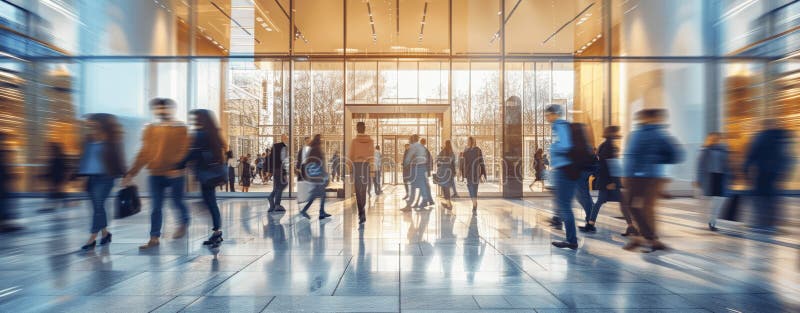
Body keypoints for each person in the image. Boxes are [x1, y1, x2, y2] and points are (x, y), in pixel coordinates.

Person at [122, 98, 190, 250]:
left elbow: (184, 150)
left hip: (175, 174)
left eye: (164, 108)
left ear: (172, 109)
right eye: (158, 109)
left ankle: (184, 221)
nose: (161, 111)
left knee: (176, 202)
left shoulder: (181, 128)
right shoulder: (150, 129)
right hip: (155, 173)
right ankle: (154, 238)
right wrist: (131, 173)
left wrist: (176, 166)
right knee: (156, 207)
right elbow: (144, 152)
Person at [622, 108, 684, 252]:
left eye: (643, 117)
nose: (640, 120)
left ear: (651, 118)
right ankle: (646, 239)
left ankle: (648, 238)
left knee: (641, 208)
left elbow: (676, 155)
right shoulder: (638, 133)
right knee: (637, 207)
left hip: (648, 177)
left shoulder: (658, 134)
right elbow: (630, 155)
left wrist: (654, 160)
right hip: (635, 176)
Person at [176, 109, 226, 247]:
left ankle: (217, 232)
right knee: (211, 202)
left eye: (196, 118)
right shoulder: (214, 133)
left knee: (208, 202)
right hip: (213, 174)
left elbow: (193, 153)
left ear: (201, 119)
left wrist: (179, 164)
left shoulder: (200, 134)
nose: (194, 120)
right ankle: (217, 232)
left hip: (205, 174)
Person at [77, 114, 126, 250]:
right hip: (90, 177)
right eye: (88, 123)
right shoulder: (88, 139)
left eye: (92, 122)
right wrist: (81, 176)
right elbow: (84, 158)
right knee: (98, 208)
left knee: (98, 207)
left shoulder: (112, 139)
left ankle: (92, 238)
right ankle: (105, 234)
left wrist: (126, 175)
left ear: (100, 123)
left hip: (106, 177)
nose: (89, 125)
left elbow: (119, 157)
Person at [546, 104, 588, 250]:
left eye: (548, 114)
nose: (546, 117)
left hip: (564, 170)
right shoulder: (562, 126)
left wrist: (552, 147)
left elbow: (565, 145)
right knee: (565, 205)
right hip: (568, 169)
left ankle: (571, 240)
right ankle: (571, 239)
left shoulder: (559, 125)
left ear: (555, 114)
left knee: (564, 206)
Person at [743, 119, 792, 233]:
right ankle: (771, 223)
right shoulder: (782, 137)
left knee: (760, 197)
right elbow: (788, 156)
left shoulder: (760, 136)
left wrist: (746, 171)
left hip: (762, 172)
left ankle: (761, 223)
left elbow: (751, 155)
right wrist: (785, 171)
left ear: (764, 126)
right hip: (776, 173)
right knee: (772, 197)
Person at [580, 126, 623, 233]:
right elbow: (608, 165)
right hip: (609, 181)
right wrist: (612, 181)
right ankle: (632, 226)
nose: (619, 134)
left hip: (605, 180)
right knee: (625, 203)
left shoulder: (604, 145)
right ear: (612, 133)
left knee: (599, 202)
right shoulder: (610, 146)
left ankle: (590, 224)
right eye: (617, 132)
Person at [696, 132, 729, 232]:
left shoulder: (723, 149)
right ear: (709, 139)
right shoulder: (705, 150)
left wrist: (730, 177)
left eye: (717, 138)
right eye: (713, 138)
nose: (715, 140)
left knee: (718, 203)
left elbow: (727, 165)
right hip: (709, 178)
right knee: (708, 202)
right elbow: (700, 166)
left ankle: (712, 222)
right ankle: (709, 221)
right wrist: (699, 179)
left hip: (721, 177)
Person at [299, 134, 332, 220]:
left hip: (314, 175)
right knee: (321, 194)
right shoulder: (317, 149)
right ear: (319, 140)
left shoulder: (313, 148)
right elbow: (320, 163)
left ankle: (319, 211)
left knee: (316, 195)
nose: (322, 140)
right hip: (318, 176)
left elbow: (310, 163)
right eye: (321, 139)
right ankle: (318, 212)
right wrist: (324, 174)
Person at [349, 122, 374, 224]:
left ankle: (361, 212)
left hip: (357, 166)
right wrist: (371, 168)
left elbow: (351, 155)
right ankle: (362, 210)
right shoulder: (370, 141)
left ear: (357, 129)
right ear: (364, 129)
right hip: (366, 166)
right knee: (364, 189)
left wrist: (350, 169)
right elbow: (372, 155)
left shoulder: (354, 141)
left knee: (358, 190)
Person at [404, 134, 435, 211]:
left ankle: (417, 202)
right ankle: (421, 201)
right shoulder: (422, 147)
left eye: (410, 139)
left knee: (416, 185)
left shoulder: (414, 146)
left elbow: (408, 158)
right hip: (422, 167)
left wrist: (406, 164)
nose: (409, 141)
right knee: (421, 184)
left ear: (412, 139)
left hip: (417, 167)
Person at [0, 132, 23, 233]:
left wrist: (10, 175)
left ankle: (5, 223)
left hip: (4, 186)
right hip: (3, 186)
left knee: (5, 203)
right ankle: (4, 224)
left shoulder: (4, 151)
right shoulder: (3, 152)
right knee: (4, 203)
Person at [40, 143, 69, 212]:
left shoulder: (59, 159)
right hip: (55, 179)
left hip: (57, 179)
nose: (49, 151)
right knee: (56, 194)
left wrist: (62, 181)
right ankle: (60, 205)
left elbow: (61, 170)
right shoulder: (55, 159)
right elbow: (51, 170)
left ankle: (52, 207)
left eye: (51, 149)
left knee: (55, 193)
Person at [462, 136, 486, 212]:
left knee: (472, 189)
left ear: (470, 142)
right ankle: (474, 203)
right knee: (472, 188)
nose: (467, 142)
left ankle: (474, 203)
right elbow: (464, 163)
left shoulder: (476, 150)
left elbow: (481, 162)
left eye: (468, 141)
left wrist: (483, 173)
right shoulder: (468, 150)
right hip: (472, 173)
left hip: (473, 173)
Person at [267, 134, 289, 212]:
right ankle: (277, 204)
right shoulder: (284, 147)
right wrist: (284, 172)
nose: (287, 139)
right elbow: (283, 160)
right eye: (286, 138)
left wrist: (270, 171)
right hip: (280, 169)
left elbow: (271, 158)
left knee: (278, 186)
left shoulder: (275, 146)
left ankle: (271, 198)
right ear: (284, 138)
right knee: (283, 184)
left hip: (275, 169)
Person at [435, 140, 457, 208]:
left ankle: (449, 204)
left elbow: (437, 160)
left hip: (442, 171)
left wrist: (441, 161)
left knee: (444, 188)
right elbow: (452, 163)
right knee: (446, 187)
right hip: (449, 172)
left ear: (445, 144)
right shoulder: (452, 153)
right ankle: (448, 203)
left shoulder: (442, 152)